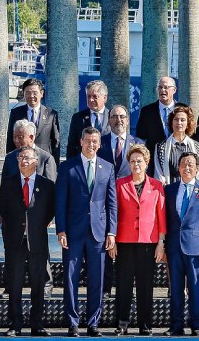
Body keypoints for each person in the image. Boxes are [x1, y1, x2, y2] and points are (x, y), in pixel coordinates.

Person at [55, 127, 117, 337]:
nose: (91, 144)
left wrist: (112, 232)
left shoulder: (107, 167)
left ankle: (93, 323)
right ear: (81, 141)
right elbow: (61, 201)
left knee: (97, 279)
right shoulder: (67, 167)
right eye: (88, 140)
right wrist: (61, 229)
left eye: (95, 141)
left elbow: (111, 203)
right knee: (70, 278)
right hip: (73, 232)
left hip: (98, 233)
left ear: (100, 144)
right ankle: (72, 323)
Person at [0, 145, 54, 337]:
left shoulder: (46, 185)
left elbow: (49, 212)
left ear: (36, 161)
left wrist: (35, 227)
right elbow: (3, 211)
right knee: (14, 285)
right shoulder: (8, 182)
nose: (24, 161)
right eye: (21, 157)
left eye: (28, 158)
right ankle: (15, 324)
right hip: (14, 242)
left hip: (37, 241)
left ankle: (37, 324)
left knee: (38, 284)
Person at [112, 144, 166, 335]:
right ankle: (122, 324)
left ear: (147, 162)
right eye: (133, 161)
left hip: (148, 243)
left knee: (145, 286)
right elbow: (114, 213)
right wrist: (112, 240)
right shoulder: (120, 184)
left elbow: (161, 216)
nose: (136, 164)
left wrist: (161, 243)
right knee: (123, 284)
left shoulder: (157, 186)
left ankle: (145, 325)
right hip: (124, 242)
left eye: (139, 161)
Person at [164, 152, 199, 336]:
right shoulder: (169, 190)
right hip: (173, 247)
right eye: (184, 164)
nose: (187, 167)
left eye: (191, 164)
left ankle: (197, 325)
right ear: (178, 168)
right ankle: (176, 325)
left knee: (195, 287)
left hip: (196, 248)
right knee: (176, 289)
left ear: (197, 168)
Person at [6, 78, 60, 164]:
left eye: (34, 93)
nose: (31, 96)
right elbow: (10, 139)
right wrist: (10, 162)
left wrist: (55, 166)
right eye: (27, 93)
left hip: (43, 161)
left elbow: (55, 142)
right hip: (22, 161)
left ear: (41, 93)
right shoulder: (16, 113)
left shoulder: (51, 114)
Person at [152, 103, 199, 185]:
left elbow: (198, 173)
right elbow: (159, 175)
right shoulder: (161, 147)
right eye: (176, 119)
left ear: (187, 124)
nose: (179, 123)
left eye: (182, 120)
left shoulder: (197, 147)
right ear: (171, 123)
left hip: (190, 191)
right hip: (168, 191)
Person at [67, 80, 111, 160]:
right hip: (83, 164)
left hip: (106, 165)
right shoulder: (78, 118)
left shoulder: (113, 117)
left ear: (104, 98)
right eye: (88, 96)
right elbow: (72, 146)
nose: (91, 100)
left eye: (95, 96)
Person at [97, 105, 142, 179]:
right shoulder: (100, 142)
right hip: (106, 188)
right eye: (114, 117)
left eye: (122, 116)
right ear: (109, 121)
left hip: (130, 188)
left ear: (127, 121)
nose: (118, 120)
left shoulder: (138, 143)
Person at [137, 75, 178, 152]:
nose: (162, 90)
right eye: (160, 87)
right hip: (154, 158)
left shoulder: (182, 109)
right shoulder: (147, 111)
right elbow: (140, 137)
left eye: (166, 87)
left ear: (174, 90)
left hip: (178, 157)